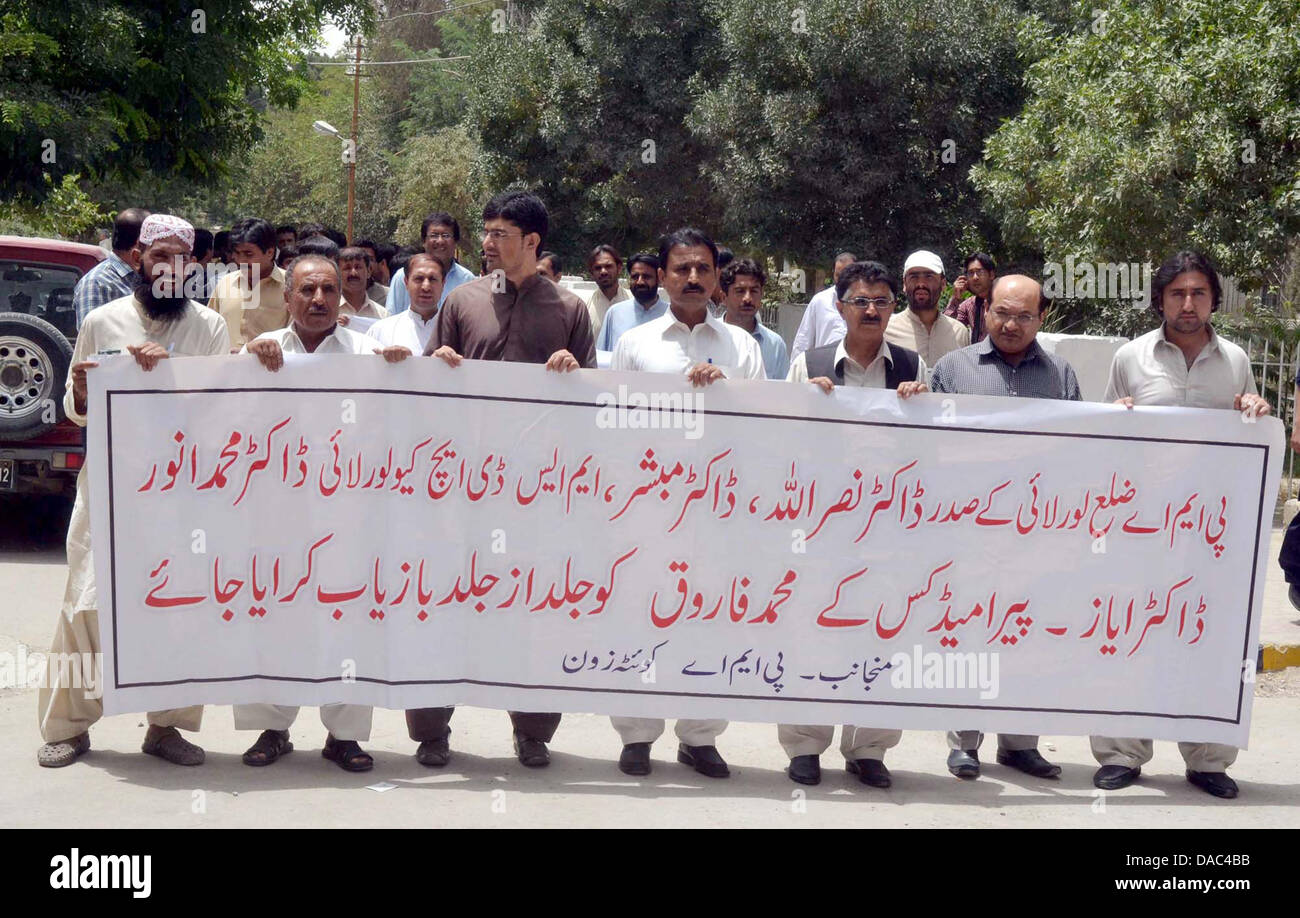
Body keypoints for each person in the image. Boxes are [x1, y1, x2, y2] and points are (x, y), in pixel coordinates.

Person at [37, 214, 229, 768]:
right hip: (110, 489)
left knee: (179, 604)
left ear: (190, 265)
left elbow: (216, 412)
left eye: (179, 257)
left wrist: (168, 379)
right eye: (158, 255)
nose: (168, 265)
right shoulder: (102, 319)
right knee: (86, 606)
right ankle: (68, 727)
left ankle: (166, 727)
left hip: (182, 492)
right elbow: (78, 410)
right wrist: (79, 389)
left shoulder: (209, 327)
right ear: (139, 258)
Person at [420, 190, 596, 768]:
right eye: (487, 232)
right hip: (461, 491)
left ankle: (532, 731)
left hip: (537, 494)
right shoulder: (461, 302)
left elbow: (592, 407)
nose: (488, 244)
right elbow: (420, 390)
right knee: (445, 605)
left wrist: (573, 378)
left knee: (533, 611)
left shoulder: (570, 311)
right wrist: (436, 368)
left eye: (500, 234)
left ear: (532, 242)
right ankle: (431, 730)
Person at [1091, 250, 1270, 799]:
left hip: (1211, 532)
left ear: (1214, 299)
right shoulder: (1131, 357)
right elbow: (1098, 439)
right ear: (1159, 300)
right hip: (1141, 524)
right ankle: (1122, 753)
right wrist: (1115, 414)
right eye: (1177, 294)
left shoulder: (1236, 360)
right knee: (1131, 633)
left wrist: (1255, 411)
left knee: (1207, 637)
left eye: (1198, 294)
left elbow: (1245, 435)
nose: (1188, 304)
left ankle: (1208, 757)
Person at [234, 253, 411, 772]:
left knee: (350, 619)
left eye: (328, 292)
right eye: (307, 291)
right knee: (276, 618)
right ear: (287, 297)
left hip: (351, 518)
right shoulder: (260, 353)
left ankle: (345, 736)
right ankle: (273, 729)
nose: (318, 301)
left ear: (341, 298)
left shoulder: (372, 352)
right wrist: (246, 360)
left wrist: (424, 370)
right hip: (278, 518)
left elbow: (413, 418)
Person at [608, 228, 766, 778]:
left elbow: (765, 427)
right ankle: (636, 736)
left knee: (712, 620)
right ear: (665, 275)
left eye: (703, 268)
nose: (693, 278)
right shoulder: (636, 344)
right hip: (650, 509)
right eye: (682, 269)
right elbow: (615, 424)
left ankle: (699, 737)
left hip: (719, 510)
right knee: (640, 618)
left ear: (717, 277)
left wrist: (728, 392)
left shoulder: (742, 348)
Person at [922, 274, 1078, 780]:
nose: (1011, 324)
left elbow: (1082, 448)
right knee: (969, 634)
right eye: (1002, 313)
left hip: (1037, 529)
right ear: (984, 310)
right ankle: (965, 740)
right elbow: (930, 450)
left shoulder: (1061, 377)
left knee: (1029, 635)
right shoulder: (952, 369)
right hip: (970, 528)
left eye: (1024, 316)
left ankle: (1020, 743)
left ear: (1043, 317)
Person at [781, 260, 928, 787]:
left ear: (894, 307)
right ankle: (804, 745)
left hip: (888, 527)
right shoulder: (809, 365)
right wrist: (810, 409)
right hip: (823, 527)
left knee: (883, 631)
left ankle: (869, 748)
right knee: (813, 630)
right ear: (838, 307)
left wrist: (920, 410)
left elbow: (925, 452)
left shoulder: (911, 368)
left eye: (882, 301)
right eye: (860, 301)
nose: (871, 310)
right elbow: (783, 446)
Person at [207, 218, 288, 352]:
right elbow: (209, 329)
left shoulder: (291, 286)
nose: (241, 260)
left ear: (270, 253)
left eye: (248, 254)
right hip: (226, 368)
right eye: (237, 253)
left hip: (273, 370)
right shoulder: (225, 284)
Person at [885, 250, 971, 367]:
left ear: (943, 284)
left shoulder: (959, 333)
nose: (921, 284)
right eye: (914, 277)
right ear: (904, 284)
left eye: (929, 276)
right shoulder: (886, 330)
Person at [72, 208, 150, 329]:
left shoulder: (145, 277)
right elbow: (95, 340)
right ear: (139, 244)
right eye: (154, 243)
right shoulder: (97, 283)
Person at [387, 213, 475, 316]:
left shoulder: (467, 280)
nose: (440, 241)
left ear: (455, 242)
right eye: (434, 235)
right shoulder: (403, 276)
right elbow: (391, 317)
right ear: (424, 241)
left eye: (446, 236)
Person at [720, 257, 788, 379]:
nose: (747, 298)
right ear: (723, 297)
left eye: (754, 291)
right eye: (740, 291)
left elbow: (782, 393)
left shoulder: (775, 345)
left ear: (761, 294)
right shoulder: (707, 335)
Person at [366, 254, 444, 353]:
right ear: (406, 283)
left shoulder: (457, 333)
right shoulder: (381, 330)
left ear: (443, 283)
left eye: (432, 279)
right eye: (419, 279)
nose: (426, 287)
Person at [790, 252, 856, 361]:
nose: (842, 279)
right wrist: (796, 373)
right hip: (823, 369)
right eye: (838, 275)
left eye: (848, 275)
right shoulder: (820, 301)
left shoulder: (865, 304)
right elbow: (803, 342)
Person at [596, 253, 668, 353]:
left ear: (659, 279)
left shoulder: (671, 314)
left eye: (646, 277)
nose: (640, 282)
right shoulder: (615, 313)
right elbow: (601, 355)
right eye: (635, 277)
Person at [944, 252, 996, 343]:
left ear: (991, 275)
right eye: (971, 273)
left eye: (980, 272)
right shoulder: (969, 305)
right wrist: (955, 298)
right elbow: (947, 329)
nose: (975, 277)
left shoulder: (1003, 301)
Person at [337, 245, 389, 323]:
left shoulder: (382, 316)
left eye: (358, 267)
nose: (353, 273)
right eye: (347, 268)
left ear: (368, 272)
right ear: (337, 273)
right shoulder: (329, 312)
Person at [584, 245, 629, 332]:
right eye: (598, 268)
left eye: (608, 266)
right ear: (591, 273)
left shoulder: (635, 302)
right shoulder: (585, 307)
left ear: (619, 268)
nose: (603, 271)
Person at [355, 238, 389, 303]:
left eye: (369, 259)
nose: (364, 263)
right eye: (359, 259)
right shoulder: (339, 294)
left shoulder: (387, 295)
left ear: (377, 263)